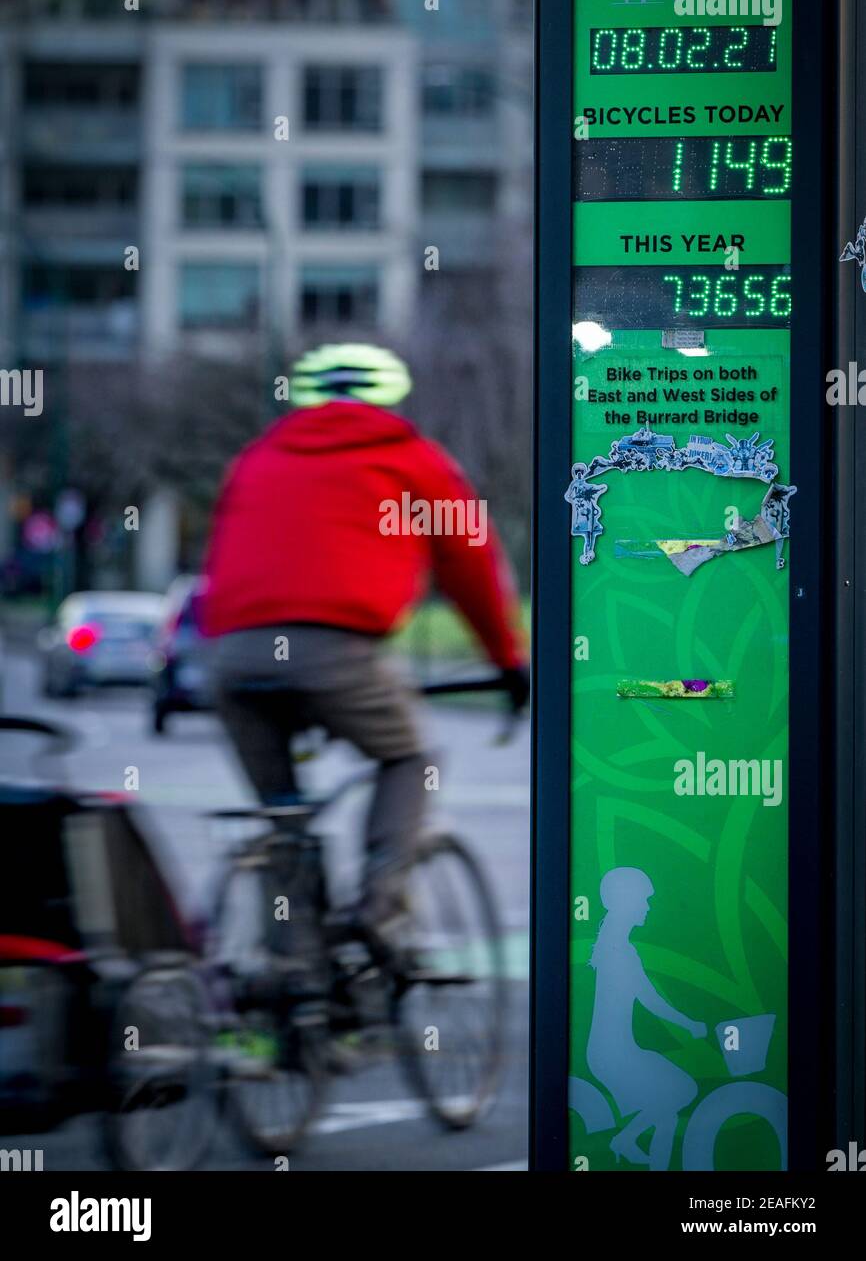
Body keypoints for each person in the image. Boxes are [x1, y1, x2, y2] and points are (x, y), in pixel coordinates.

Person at [201, 343, 528, 933]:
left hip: (232, 655)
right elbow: (470, 565)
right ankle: (376, 912)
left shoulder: (255, 458)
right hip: (336, 651)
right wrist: (507, 660)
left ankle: (290, 968)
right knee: (408, 758)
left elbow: (221, 564)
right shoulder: (411, 459)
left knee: (285, 820)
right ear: (391, 396)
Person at [587, 867, 706, 1171]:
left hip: (612, 1052)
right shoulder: (621, 953)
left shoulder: (612, 948)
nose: (648, 906)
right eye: (644, 899)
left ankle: (647, 1158)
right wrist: (690, 1024)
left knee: (666, 1112)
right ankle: (626, 1140)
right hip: (615, 1054)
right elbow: (651, 1000)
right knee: (683, 1090)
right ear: (627, 902)